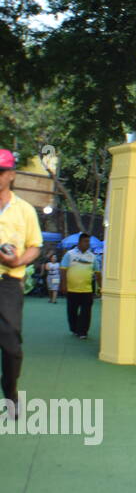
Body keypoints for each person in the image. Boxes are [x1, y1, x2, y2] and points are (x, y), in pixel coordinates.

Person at [0, 149, 43, 415]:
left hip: (8, 283)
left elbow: (34, 246)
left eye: (1, 172)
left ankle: (10, 392)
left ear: (11, 175)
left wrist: (18, 261)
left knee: (11, 345)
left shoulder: (24, 210)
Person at [61, 232, 101, 339]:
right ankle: (74, 328)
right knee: (72, 311)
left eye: (88, 242)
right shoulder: (69, 254)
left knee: (86, 312)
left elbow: (97, 273)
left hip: (87, 290)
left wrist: (100, 287)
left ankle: (83, 332)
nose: (87, 244)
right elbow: (63, 270)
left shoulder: (93, 257)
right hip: (72, 289)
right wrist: (63, 285)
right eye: (85, 241)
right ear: (79, 242)